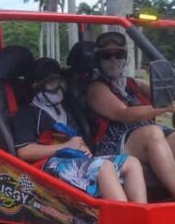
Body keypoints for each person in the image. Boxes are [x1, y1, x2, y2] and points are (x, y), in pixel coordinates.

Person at [86, 31, 175, 201]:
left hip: (146, 138)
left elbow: (173, 95)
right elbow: (122, 114)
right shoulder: (96, 88)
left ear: (125, 57)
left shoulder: (132, 83)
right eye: (107, 56)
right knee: (152, 133)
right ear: (98, 59)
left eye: (118, 55)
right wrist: (162, 109)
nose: (113, 60)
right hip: (114, 146)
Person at [11, 57, 147, 203]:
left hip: (74, 160)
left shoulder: (65, 110)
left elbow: (76, 140)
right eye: (51, 83)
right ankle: (125, 220)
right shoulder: (27, 113)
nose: (58, 87)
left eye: (59, 81)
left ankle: (140, 214)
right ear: (36, 86)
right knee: (104, 168)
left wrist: (82, 147)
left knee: (132, 163)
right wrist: (65, 147)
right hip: (46, 166)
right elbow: (24, 152)